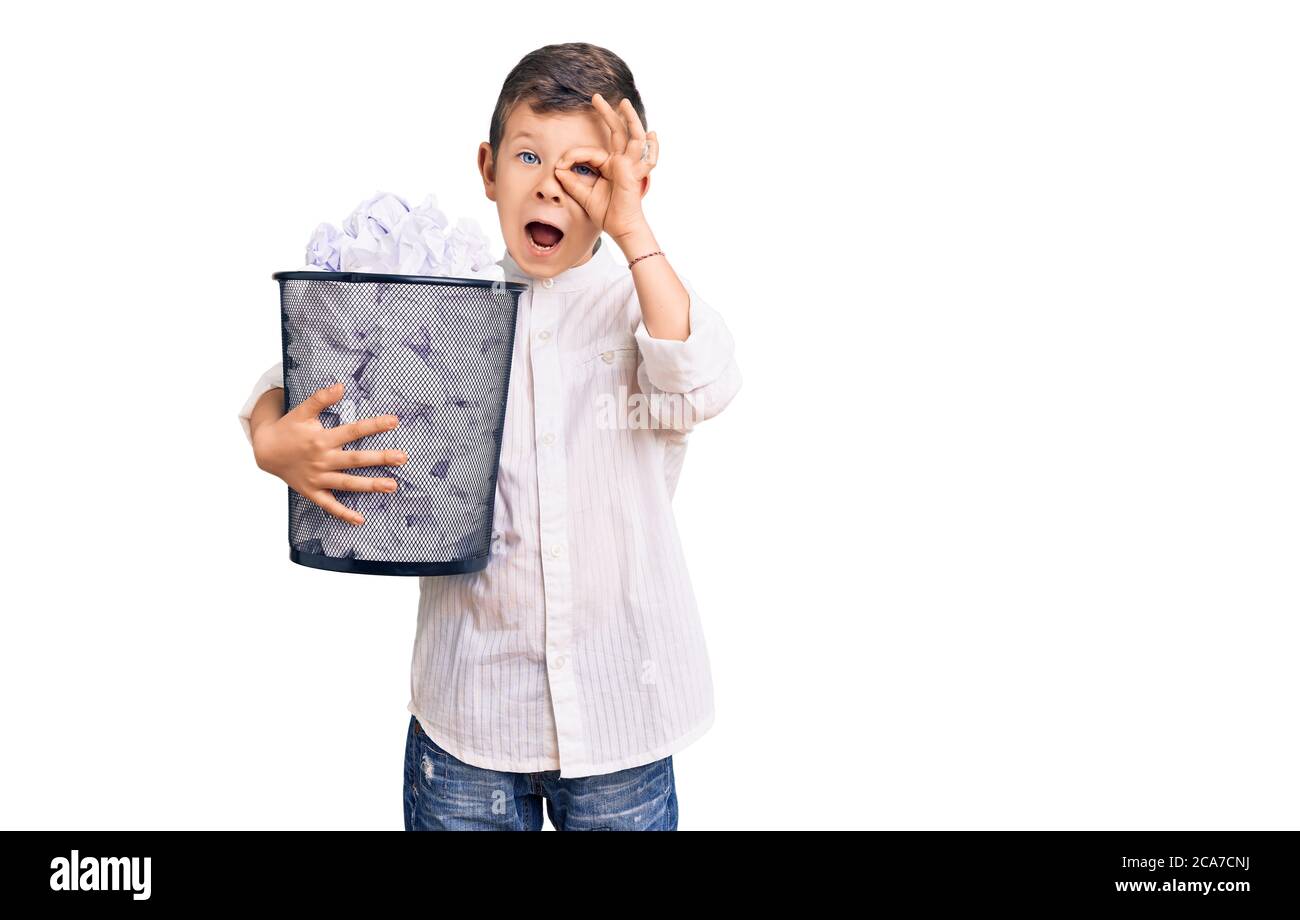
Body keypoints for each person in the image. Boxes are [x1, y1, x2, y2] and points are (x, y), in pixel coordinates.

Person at [238, 42, 742, 830]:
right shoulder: (451, 293)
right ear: (487, 168)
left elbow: (703, 379)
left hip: (622, 719)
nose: (550, 182)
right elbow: (300, 368)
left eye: (586, 169)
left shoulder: (636, 302)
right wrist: (271, 443)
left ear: (627, 185)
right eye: (529, 155)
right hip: (470, 716)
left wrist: (634, 225)